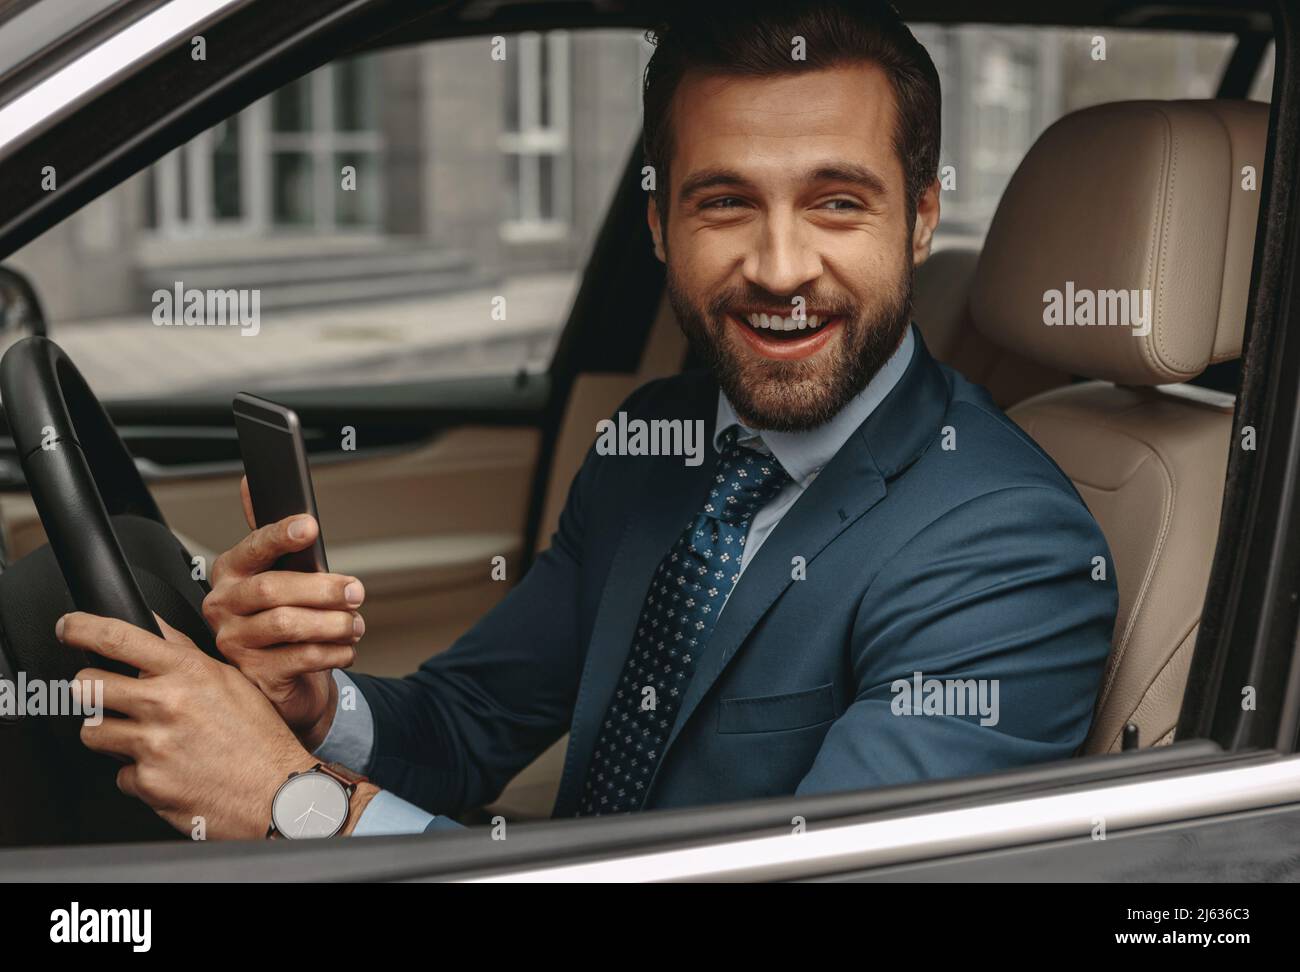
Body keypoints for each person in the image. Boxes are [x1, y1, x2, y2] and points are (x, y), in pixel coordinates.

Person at [62, 0, 1117, 839]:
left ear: (921, 216)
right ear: (659, 225)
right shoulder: (659, 439)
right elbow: (466, 726)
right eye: (725, 203)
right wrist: (312, 715)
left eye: (836, 202)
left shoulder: (1007, 551)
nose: (782, 267)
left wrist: (298, 805)